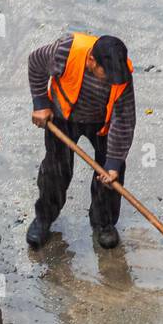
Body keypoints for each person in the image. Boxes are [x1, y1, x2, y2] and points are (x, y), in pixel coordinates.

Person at [26, 31, 135, 250]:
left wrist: (112, 165)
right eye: (108, 75)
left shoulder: (121, 74)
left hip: (101, 123)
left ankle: (103, 223)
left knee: (110, 175)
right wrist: (40, 104)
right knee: (55, 170)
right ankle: (44, 218)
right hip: (63, 116)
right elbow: (35, 62)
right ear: (92, 61)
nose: (113, 80)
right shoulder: (65, 51)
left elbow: (123, 120)